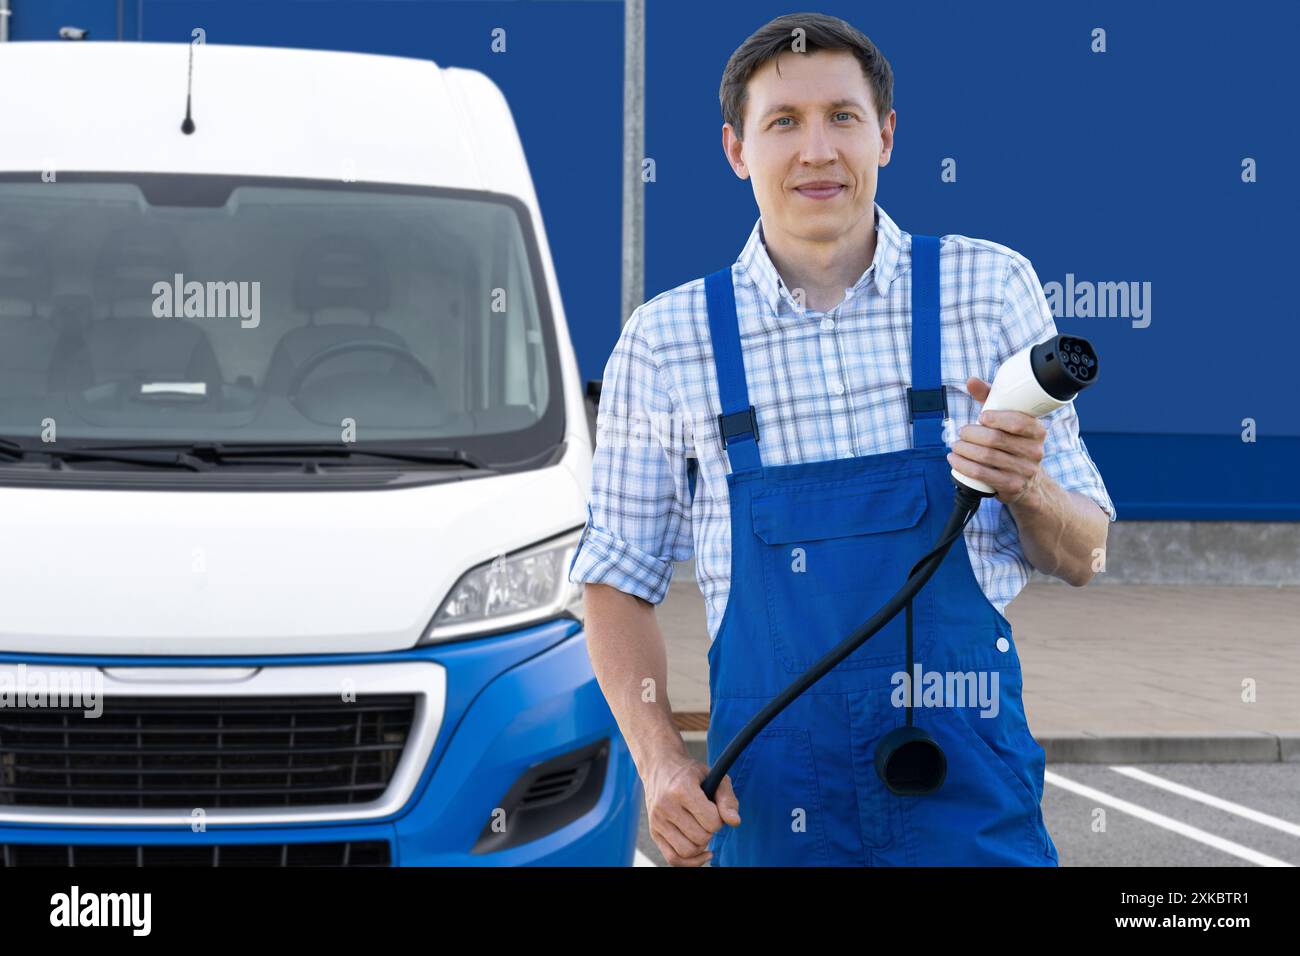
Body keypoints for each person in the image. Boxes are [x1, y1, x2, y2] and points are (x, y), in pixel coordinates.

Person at [567, 11, 1116, 867]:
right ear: (736, 149)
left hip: (968, 806)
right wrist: (661, 761)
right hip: (772, 806)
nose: (817, 150)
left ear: (887, 135)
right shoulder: (666, 339)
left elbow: (1087, 552)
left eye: (843, 117)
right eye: (783, 122)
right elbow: (612, 579)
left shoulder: (991, 288)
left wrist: (1030, 488)